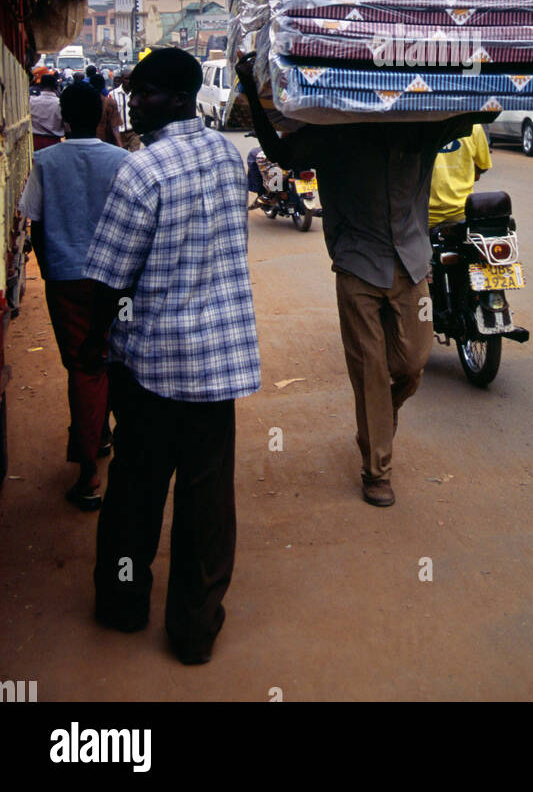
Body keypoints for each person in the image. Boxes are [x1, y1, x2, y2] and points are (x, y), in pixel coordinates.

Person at [235, 51, 492, 508]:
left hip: (413, 265)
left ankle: (379, 414)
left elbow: (481, 111)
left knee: (411, 365)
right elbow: (281, 153)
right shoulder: (335, 132)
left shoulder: (424, 125)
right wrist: (252, 91)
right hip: (357, 267)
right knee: (369, 370)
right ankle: (377, 469)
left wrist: (488, 64)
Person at [83, 48, 260, 664]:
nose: (135, 100)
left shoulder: (143, 170)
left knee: (136, 495)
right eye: (134, 89)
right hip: (216, 367)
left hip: (152, 369)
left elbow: (108, 279)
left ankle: (126, 605)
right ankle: (194, 627)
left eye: (149, 91)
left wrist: (92, 343)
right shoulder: (227, 156)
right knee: (207, 505)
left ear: (181, 97)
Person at [18, 83, 128, 509]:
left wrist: (50, 272)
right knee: (112, 358)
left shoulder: (45, 161)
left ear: (63, 116)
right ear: (101, 117)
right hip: (116, 282)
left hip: (67, 281)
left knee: (83, 366)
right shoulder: (122, 160)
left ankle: (89, 477)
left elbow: (38, 227)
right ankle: (104, 436)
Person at [428, 124, 492, 229]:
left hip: (424, 216)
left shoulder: (417, 124)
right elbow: (482, 167)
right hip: (462, 212)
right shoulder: (474, 125)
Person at [97, 69, 140, 150]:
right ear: (122, 79)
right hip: (119, 133)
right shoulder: (112, 94)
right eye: (126, 79)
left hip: (133, 132)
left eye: (131, 79)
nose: (129, 81)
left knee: (135, 154)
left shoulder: (137, 93)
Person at [29, 72, 65, 151]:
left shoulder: (31, 101)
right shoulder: (60, 103)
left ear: (41, 85)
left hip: (33, 142)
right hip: (53, 143)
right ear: (55, 86)